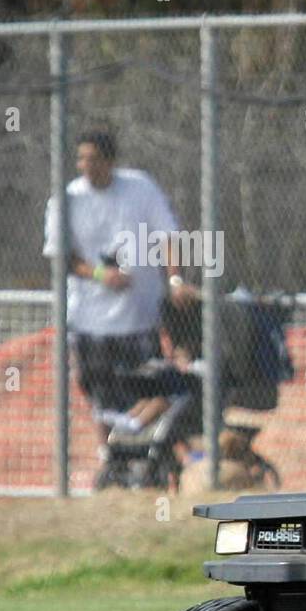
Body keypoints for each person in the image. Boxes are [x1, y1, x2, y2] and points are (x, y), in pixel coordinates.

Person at [42, 130, 189, 473]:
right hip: (90, 321)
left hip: (140, 318)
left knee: (151, 389)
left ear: (110, 161)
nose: (86, 166)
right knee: (102, 400)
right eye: (81, 159)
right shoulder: (66, 200)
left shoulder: (140, 187)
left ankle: (145, 458)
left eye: (93, 159)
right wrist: (99, 275)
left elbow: (168, 235)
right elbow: (60, 256)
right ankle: (110, 460)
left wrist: (175, 278)